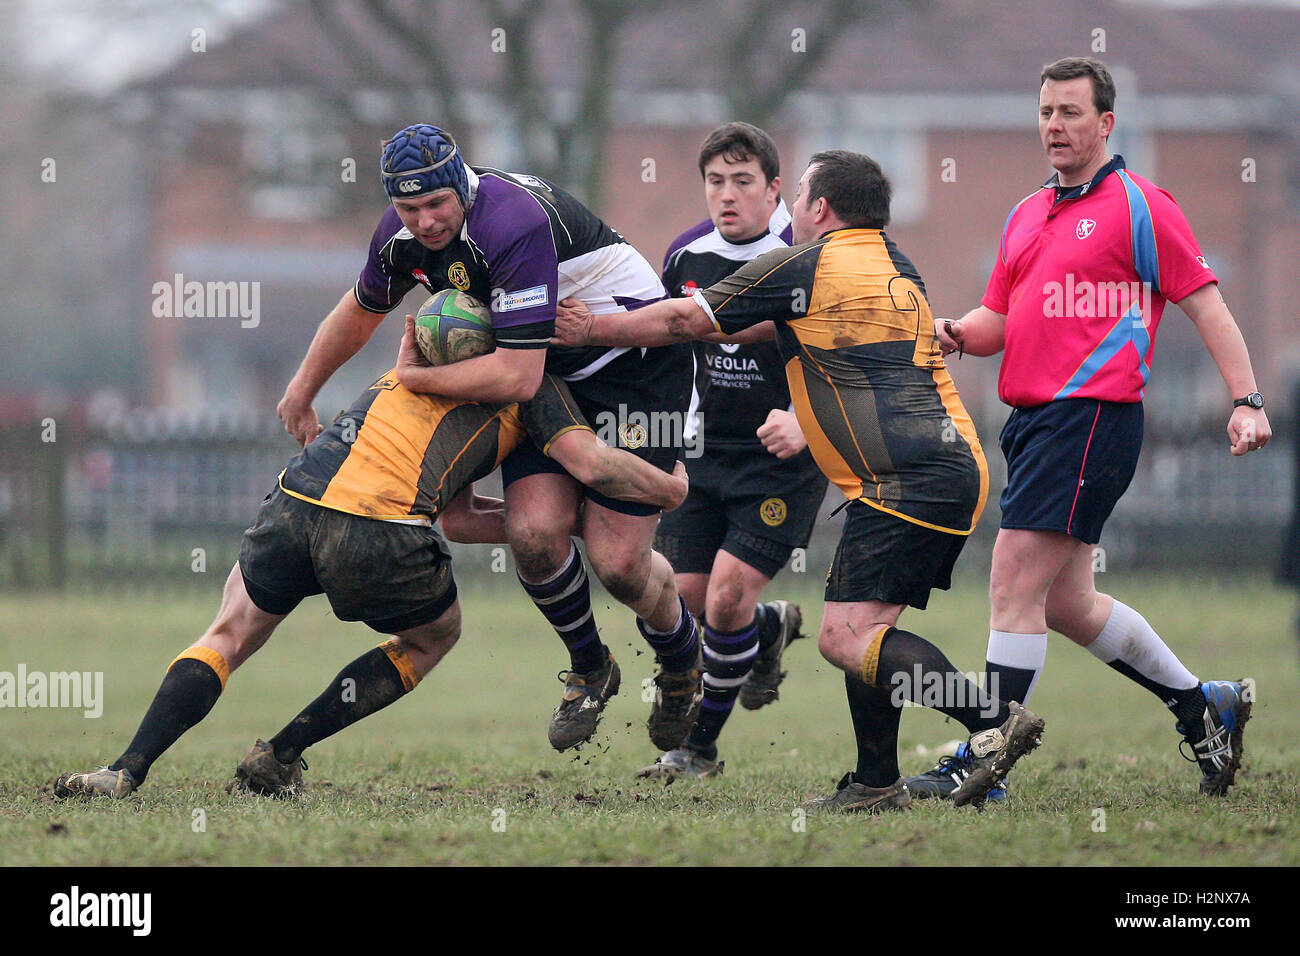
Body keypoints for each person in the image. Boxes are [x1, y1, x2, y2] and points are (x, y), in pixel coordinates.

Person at [555, 150, 1045, 811]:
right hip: (946, 468)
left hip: (907, 479)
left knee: (846, 637)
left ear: (818, 208)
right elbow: (765, 322)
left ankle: (991, 720)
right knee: (866, 632)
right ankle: (876, 782)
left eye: (798, 201)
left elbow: (683, 319)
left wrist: (594, 328)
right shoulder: (896, 266)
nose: (790, 216)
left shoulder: (807, 264)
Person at [53, 370, 688, 799]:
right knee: (433, 637)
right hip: (377, 529)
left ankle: (122, 771)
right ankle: (282, 753)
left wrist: (545, 527)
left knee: (228, 633)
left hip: (295, 498)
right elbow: (593, 463)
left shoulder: (408, 369)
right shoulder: (533, 386)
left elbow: (461, 516)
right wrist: (668, 489)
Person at [278, 124, 703, 755]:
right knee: (534, 535)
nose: (423, 221)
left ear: (462, 185)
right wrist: (301, 390)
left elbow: (515, 372)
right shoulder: (400, 237)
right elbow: (361, 310)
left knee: (619, 564)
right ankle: (590, 667)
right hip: (553, 369)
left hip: (631, 369)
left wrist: (419, 377)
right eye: (408, 208)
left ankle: (682, 664)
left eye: (436, 205)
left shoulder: (512, 223)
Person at [910, 56, 1268, 801]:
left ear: (1105, 123)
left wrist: (1247, 401)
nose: (1054, 126)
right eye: (1045, 111)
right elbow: (998, 321)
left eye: (1070, 112)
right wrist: (953, 332)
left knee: (1010, 576)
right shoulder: (1026, 212)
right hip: (1033, 422)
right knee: (1066, 602)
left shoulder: (1144, 206)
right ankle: (1205, 706)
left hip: (1093, 417)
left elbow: (1208, 306)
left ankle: (986, 757)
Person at [637, 123, 829, 780]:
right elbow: (665, 345)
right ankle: (768, 629)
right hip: (702, 451)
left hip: (783, 458)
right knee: (677, 600)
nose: (727, 195)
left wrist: (803, 416)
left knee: (723, 599)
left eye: (743, 181)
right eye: (716, 181)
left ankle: (698, 750)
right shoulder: (685, 255)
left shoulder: (802, 255)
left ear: (776, 188)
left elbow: (850, 360)